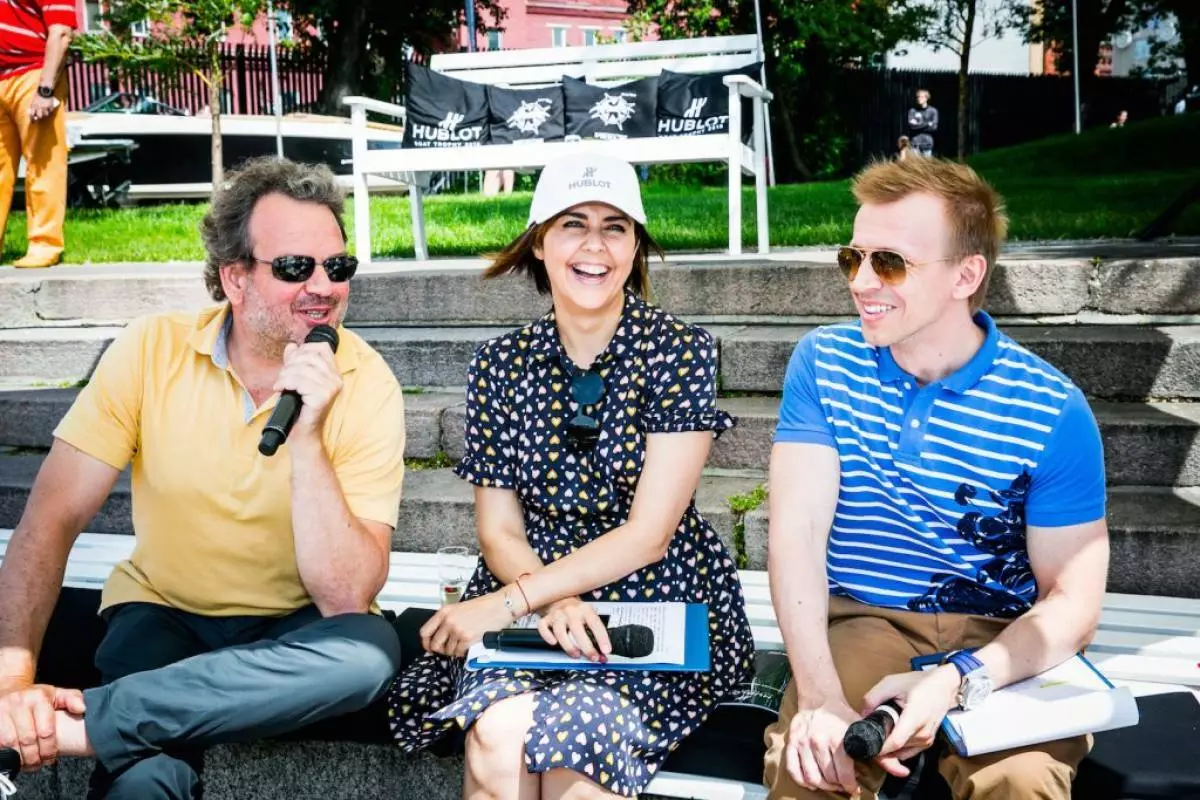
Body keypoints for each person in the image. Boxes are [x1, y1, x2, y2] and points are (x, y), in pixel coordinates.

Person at [0, 157, 407, 799]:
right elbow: (49, 521)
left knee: (370, 651)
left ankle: (87, 727)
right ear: (234, 279)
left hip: (295, 627)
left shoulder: (368, 381)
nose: (324, 286)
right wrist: (10, 688)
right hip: (163, 612)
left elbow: (344, 598)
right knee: (144, 784)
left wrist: (307, 437)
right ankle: (131, 719)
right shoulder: (150, 348)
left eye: (339, 266)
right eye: (296, 267)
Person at [386, 152, 754, 799]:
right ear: (539, 242)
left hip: (652, 595)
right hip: (529, 581)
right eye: (573, 224)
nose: (595, 245)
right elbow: (498, 526)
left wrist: (511, 604)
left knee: (581, 738)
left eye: (615, 226)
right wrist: (551, 601)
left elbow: (648, 535)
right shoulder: (499, 363)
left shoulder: (680, 352)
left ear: (636, 243)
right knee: (497, 734)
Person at [762, 157, 1108, 800]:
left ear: (966, 274)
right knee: (811, 765)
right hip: (866, 621)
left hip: (1003, 636)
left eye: (889, 263)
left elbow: (1072, 603)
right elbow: (797, 534)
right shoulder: (824, 364)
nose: (862, 282)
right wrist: (818, 696)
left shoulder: (1052, 409)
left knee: (1021, 783)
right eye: (852, 258)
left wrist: (958, 679)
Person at [0, 0, 75, 268]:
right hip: (2, 74)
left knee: (43, 164)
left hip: (33, 73)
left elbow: (61, 32)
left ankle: (45, 245)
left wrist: (46, 90)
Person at [906, 89, 938, 157]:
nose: (918, 98)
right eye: (917, 97)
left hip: (927, 144)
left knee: (926, 167)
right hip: (915, 144)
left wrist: (918, 124)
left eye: (921, 97)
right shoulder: (913, 111)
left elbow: (934, 128)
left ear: (926, 98)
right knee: (913, 166)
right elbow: (912, 126)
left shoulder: (933, 111)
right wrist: (927, 124)